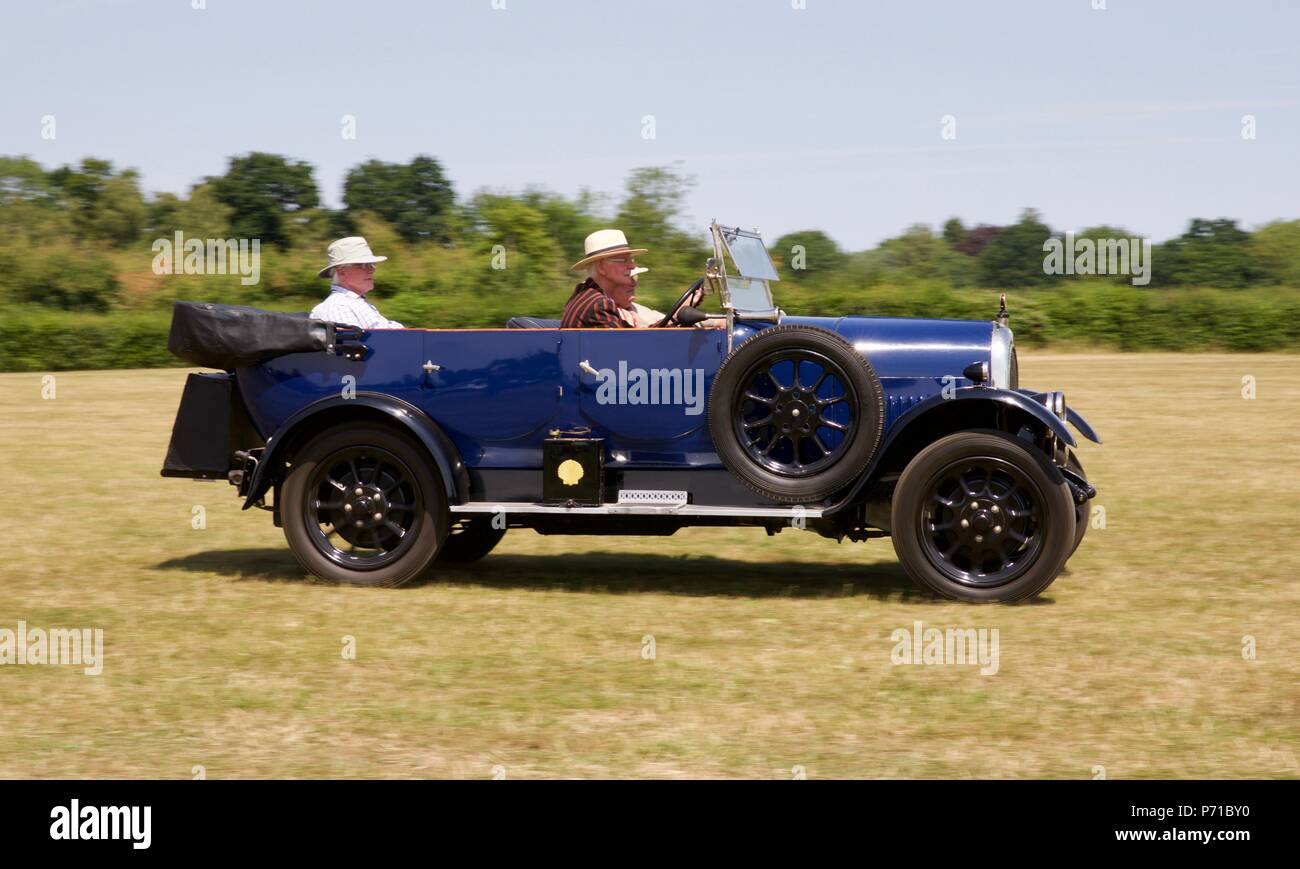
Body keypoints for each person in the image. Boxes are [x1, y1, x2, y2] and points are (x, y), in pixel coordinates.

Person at [310, 237, 404, 329]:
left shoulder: (354, 302)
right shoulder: (339, 306)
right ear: (342, 272)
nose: (372, 269)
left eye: (372, 264)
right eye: (363, 265)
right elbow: (351, 344)